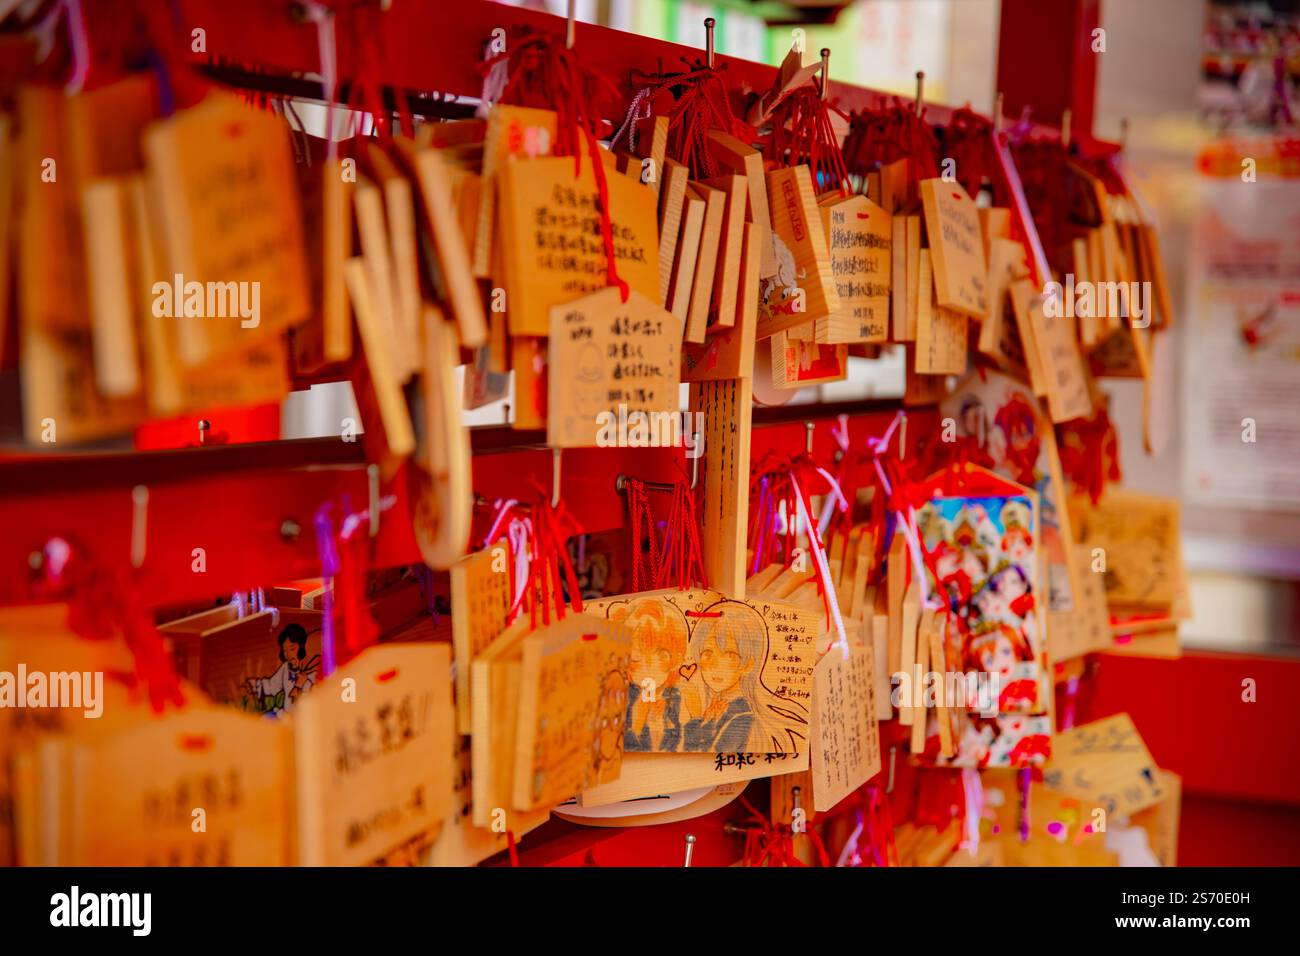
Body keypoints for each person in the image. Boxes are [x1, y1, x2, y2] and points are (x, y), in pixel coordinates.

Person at [612, 598, 690, 752]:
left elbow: (675, 741)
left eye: (661, 655)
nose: (646, 666)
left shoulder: (673, 696)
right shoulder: (625, 695)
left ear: (674, 660)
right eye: (636, 658)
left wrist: (663, 721)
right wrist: (636, 725)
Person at [246, 623, 319, 717]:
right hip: (286, 716)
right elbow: (273, 685)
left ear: (302, 648)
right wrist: (256, 684)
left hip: (307, 719)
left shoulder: (314, 669)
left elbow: (320, 696)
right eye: (285, 651)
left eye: (292, 649)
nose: (288, 656)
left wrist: (305, 684)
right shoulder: (286, 668)